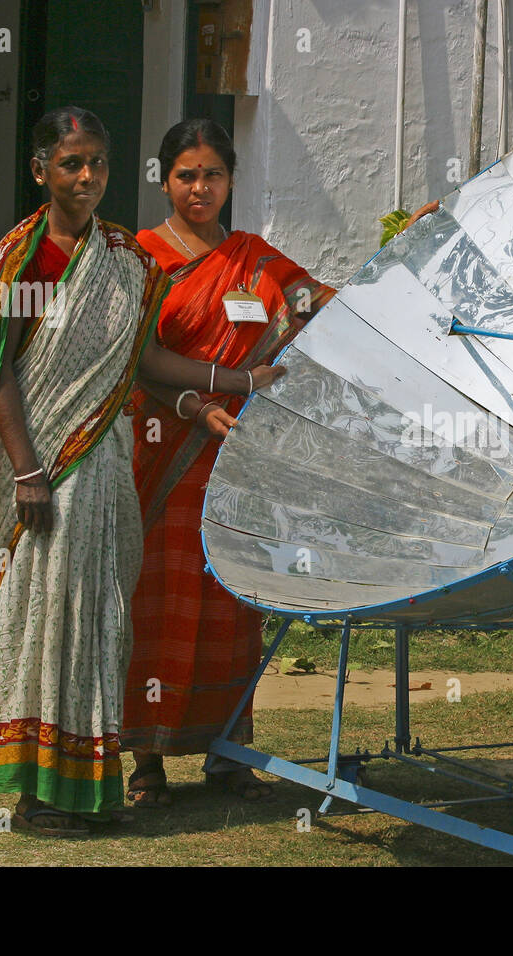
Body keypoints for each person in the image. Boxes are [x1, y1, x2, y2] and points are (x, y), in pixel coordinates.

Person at [0, 107, 286, 836]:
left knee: (99, 622)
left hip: (106, 465)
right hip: (44, 467)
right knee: (46, 620)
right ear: (40, 169)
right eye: (71, 163)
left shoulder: (124, 259)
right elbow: (1, 371)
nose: (86, 177)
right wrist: (25, 471)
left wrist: (235, 382)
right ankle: (36, 795)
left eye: (99, 163)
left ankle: (86, 791)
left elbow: (145, 363)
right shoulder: (23, 258)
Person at [121, 119, 336, 805]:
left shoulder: (255, 262)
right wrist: (195, 401)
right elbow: (133, 357)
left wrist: (402, 257)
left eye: (212, 174)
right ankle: (148, 758)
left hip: (237, 458)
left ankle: (226, 750)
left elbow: (317, 306)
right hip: (163, 450)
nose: (200, 188)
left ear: (232, 180)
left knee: (229, 599)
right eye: (186, 175)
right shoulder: (141, 257)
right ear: (164, 181)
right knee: (159, 601)